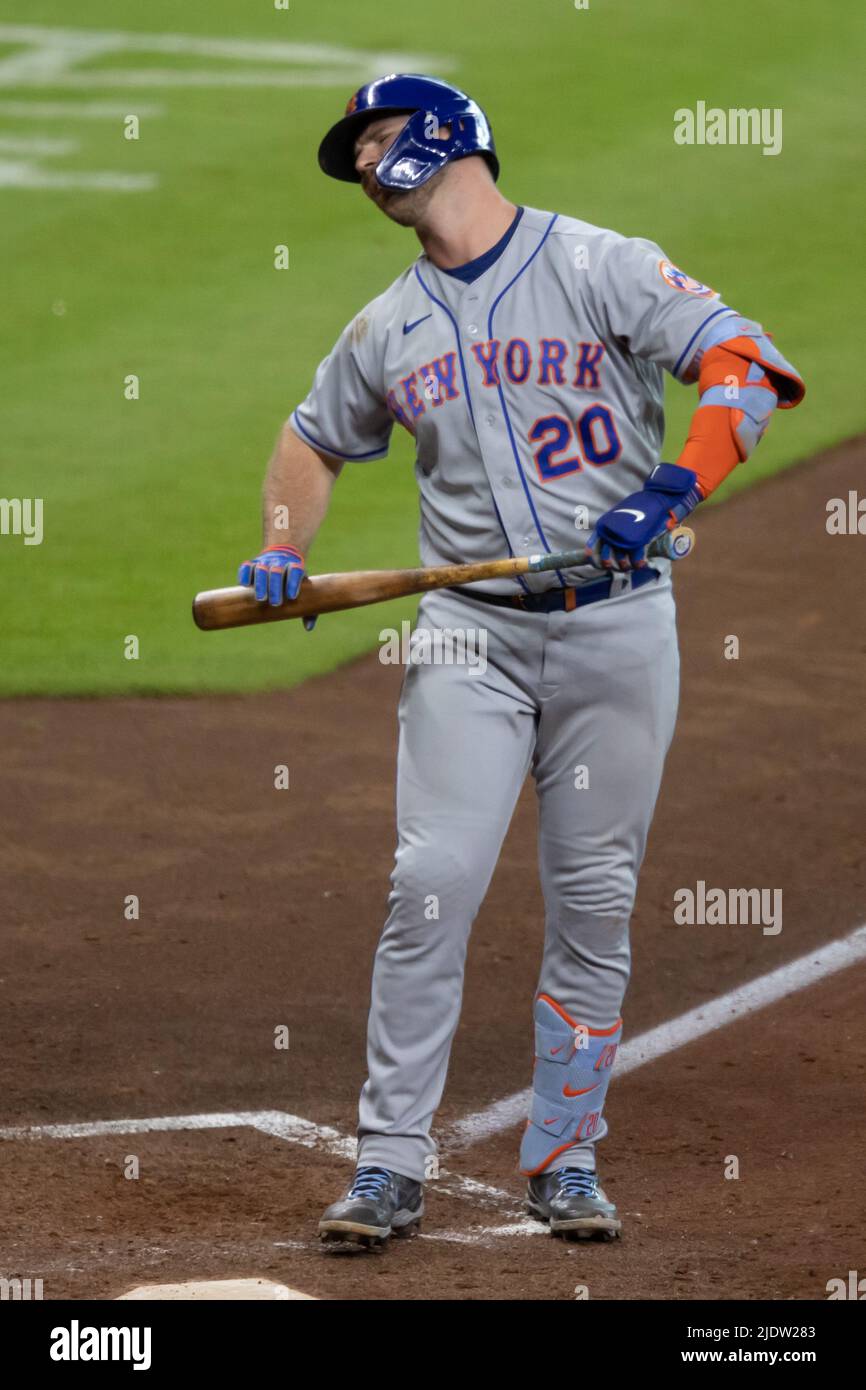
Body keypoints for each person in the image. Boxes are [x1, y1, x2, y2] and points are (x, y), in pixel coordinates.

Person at [237, 75, 805, 1247]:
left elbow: (743, 368)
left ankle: (565, 1156)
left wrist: (669, 488)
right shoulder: (385, 324)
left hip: (616, 624)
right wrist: (282, 544)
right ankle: (389, 1162)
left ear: (444, 137)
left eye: (379, 138)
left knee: (592, 900)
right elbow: (309, 436)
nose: (361, 163)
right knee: (430, 880)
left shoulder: (598, 264)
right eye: (354, 149)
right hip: (468, 635)